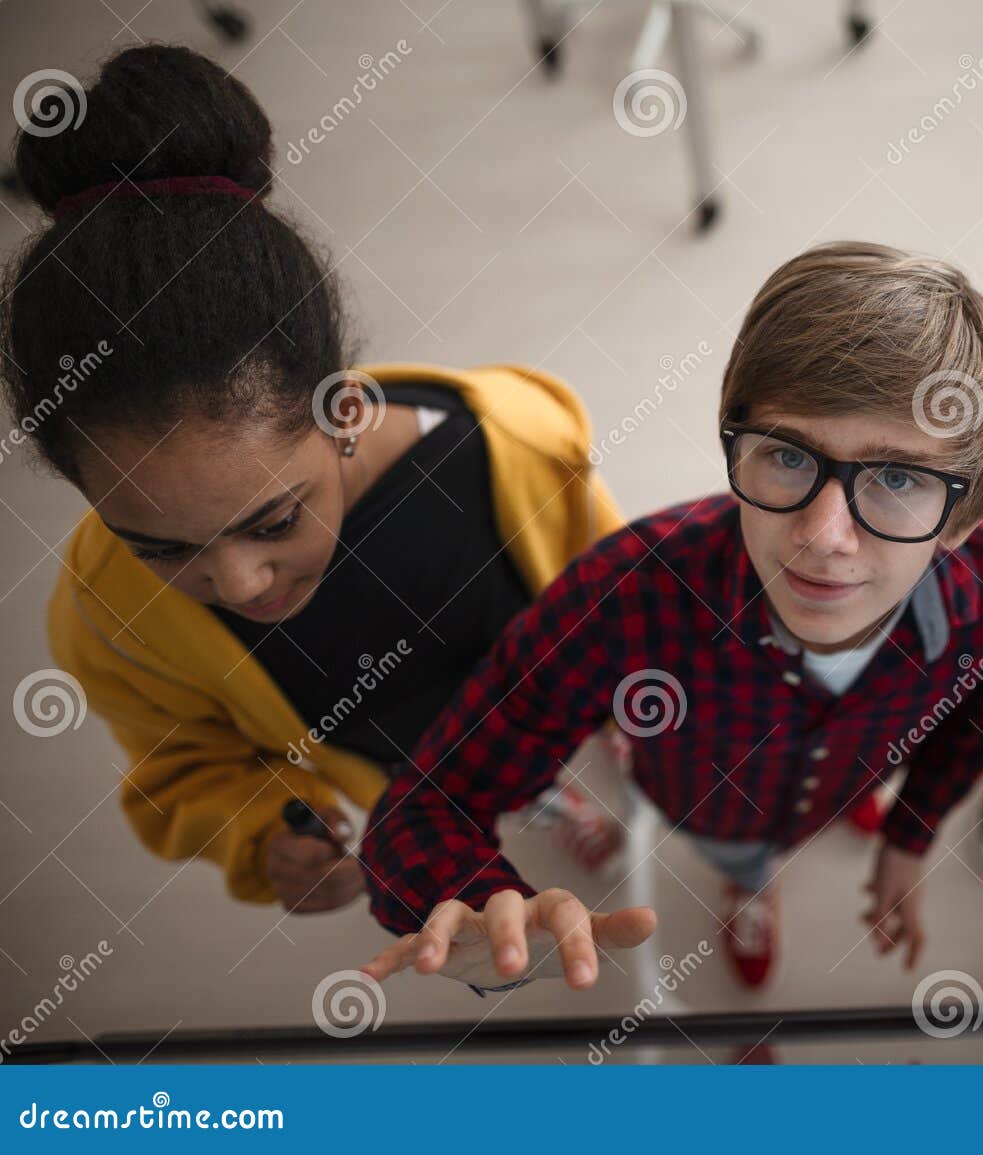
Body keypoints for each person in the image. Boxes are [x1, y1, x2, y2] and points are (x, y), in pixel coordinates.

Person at [4, 45, 628, 915]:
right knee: (500, 791)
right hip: (398, 764)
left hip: (547, 685)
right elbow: (186, 765)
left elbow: (613, 581)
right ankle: (551, 806)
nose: (238, 584)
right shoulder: (108, 617)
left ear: (345, 414)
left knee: (572, 728)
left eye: (272, 521)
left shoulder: (513, 444)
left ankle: (575, 764)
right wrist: (266, 835)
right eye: (159, 548)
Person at [359, 241, 983, 991]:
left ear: (968, 515)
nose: (823, 536)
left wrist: (911, 826)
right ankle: (748, 881)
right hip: (713, 807)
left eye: (897, 477)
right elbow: (426, 803)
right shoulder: (625, 595)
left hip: (869, 756)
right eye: (788, 455)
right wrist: (476, 902)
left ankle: (850, 800)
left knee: (854, 780)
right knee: (740, 852)